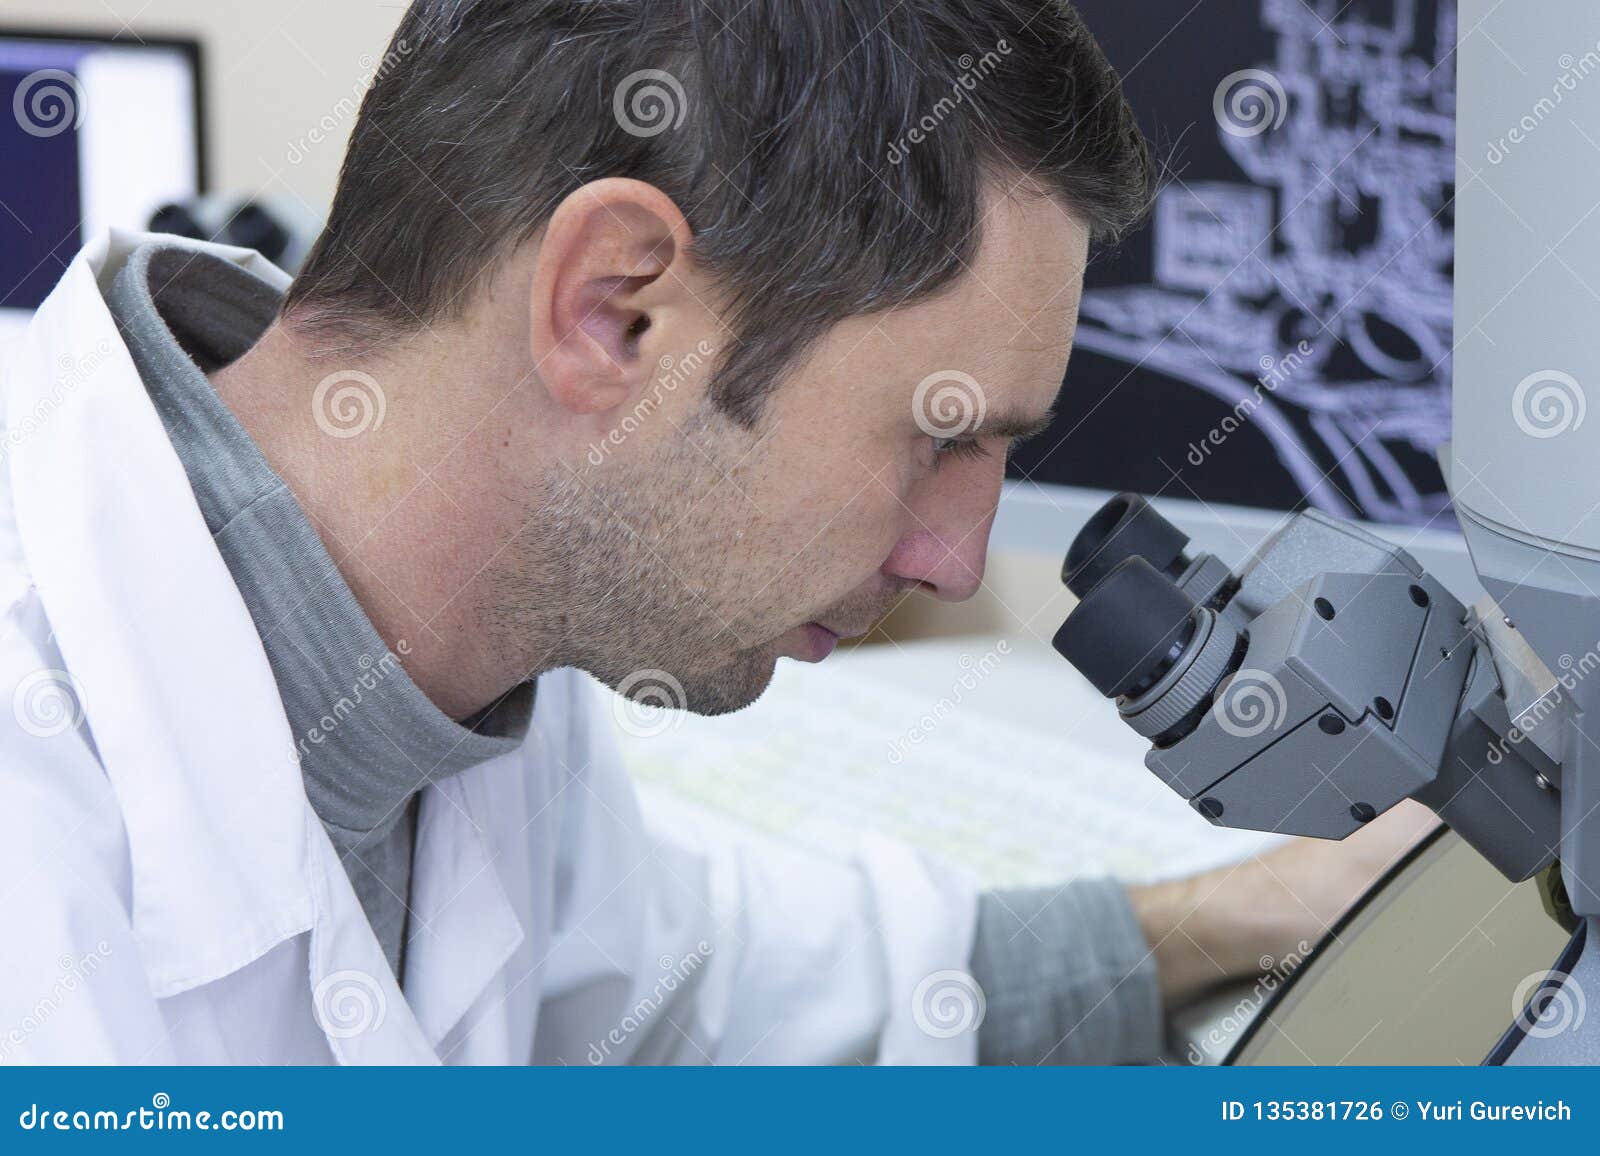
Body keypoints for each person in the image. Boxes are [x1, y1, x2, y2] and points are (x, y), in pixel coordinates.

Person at [0, 0, 1431, 1064]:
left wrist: (1252, 911)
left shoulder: (467, 656)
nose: (952, 557)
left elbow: (714, 983)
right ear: (614, 309)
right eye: (941, 434)